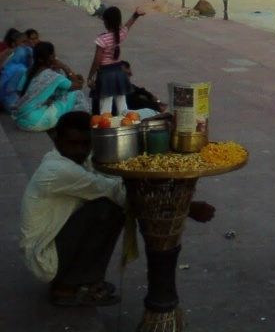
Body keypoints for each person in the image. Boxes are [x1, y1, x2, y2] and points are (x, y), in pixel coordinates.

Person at [20, 111, 216, 308]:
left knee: (109, 206)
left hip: (58, 240)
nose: (80, 150)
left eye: (85, 143)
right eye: (72, 144)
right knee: (108, 209)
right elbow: (116, 192)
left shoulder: (72, 159)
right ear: (56, 138)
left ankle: (82, 279)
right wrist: (186, 207)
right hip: (44, 257)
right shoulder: (58, 170)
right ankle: (67, 287)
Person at [13, 42, 91, 132]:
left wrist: (44, 100)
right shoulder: (52, 76)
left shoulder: (29, 71)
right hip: (35, 122)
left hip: (21, 120)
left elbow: (20, 92)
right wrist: (64, 66)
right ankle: (81, 122)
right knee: (75, 93)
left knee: (60, 91)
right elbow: (78, 86)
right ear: (50, 57)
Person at [87, 6, 144, 117]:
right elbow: (128, 25)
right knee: (122, 103)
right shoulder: (120, 35)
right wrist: (135, 14)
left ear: (106, 22)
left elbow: (96, 61)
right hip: (119, 73)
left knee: (105, 107)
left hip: (105, 75)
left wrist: (90, 77)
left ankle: (107, 128)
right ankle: (125, 123)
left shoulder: (102, 39)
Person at [90, 61, 167, 115]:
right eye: (125, 74)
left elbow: (141, 91)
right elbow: (136, 101)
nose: (127, 78)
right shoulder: (110, 87)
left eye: (129, 75)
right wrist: (157, 107)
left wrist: (158, 101)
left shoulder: (124, 86)